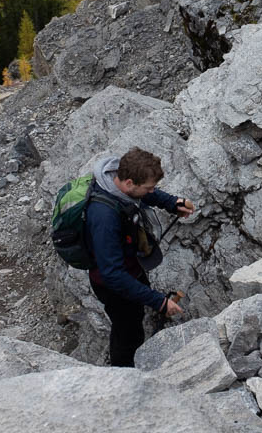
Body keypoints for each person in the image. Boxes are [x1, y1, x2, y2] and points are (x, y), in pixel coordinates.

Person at [86, 146, 195, 367]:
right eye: (148, 188)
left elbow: (146, 195)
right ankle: (123, 376)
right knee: (127, 334)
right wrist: (159, 302)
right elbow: (112, 275)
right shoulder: (104, 217)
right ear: (129, 184)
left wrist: (172, 203)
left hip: (130, 267)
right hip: (112, 285)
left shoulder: (120, 183)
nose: (151, 191)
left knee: (134, 320)